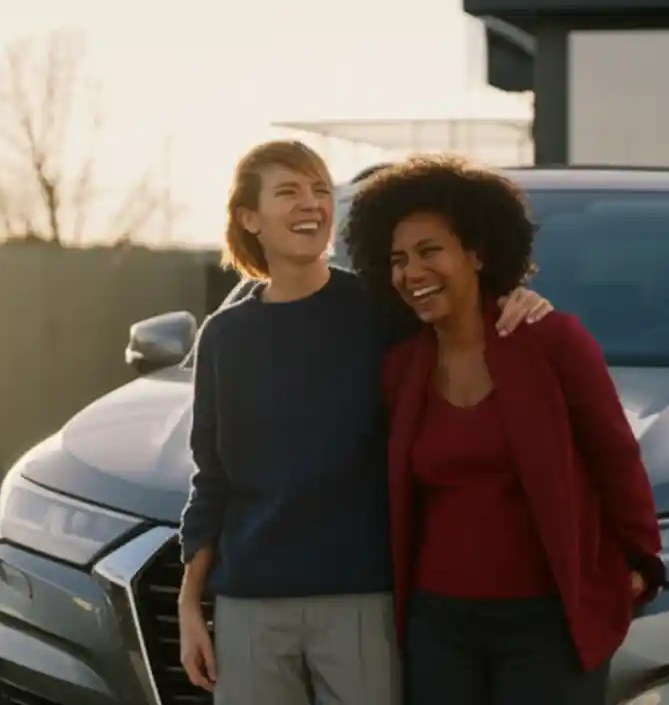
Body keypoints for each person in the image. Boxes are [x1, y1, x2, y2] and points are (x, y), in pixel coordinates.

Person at [176, 141, 552, 705]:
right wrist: (189, 605)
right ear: (249, 217)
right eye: (289, 192)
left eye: (320, 190)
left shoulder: (382, 311)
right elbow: (212, 477)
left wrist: (513, 300)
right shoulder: (225, 337)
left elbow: (463, 328)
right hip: (249, 604)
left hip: (359, 598)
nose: (312, 204)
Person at [344, 155, 664, 705]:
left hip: (547, 624)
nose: (411, 272)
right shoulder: (400, 368)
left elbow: (615, 459)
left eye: (429, 252)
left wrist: (640, 564)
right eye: (397, 259)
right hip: (437, 627)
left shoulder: (553, 342)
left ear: (477, 253)